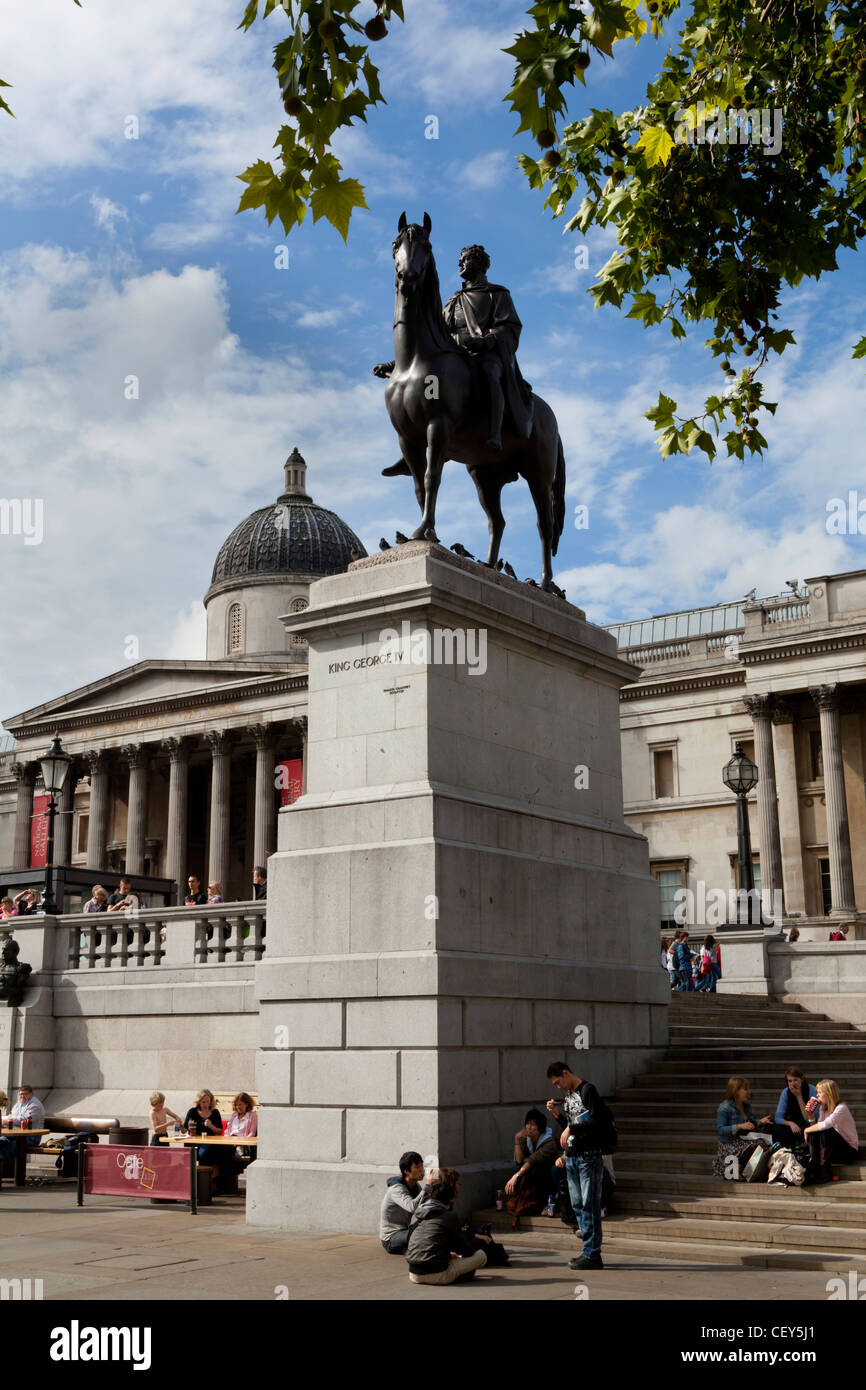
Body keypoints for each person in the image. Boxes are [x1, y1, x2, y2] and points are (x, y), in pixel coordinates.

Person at [546, 1062, 615, 1271]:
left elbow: (598, 1122)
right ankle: (588, 1250)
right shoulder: (568, 1097)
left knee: (589, 1204)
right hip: (573, 1157)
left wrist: (571, 1127)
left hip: (589, 1157)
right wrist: (558, 1116)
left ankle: (593, 1254)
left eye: (558, 1081)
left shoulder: (588, 1090)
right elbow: (570, 1130)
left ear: (566, 1073)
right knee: (577, 1205)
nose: (558, 1086)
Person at [406, 1178, 488, 1285]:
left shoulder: (418, 1213)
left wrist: (448, 1255)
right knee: (481, 1256)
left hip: (413, 1274)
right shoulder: (448, 1216)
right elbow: (464, 1248)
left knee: (455, 1260)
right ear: (449, 1202)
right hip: (437, 1274)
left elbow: (414, 1241)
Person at [713, 1077, 774, 1179]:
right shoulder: (724, 1107)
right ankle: (741, 1170)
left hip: (743, 1140)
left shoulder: (746, 1105)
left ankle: (751, 1171)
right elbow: (721, 1130)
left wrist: (760, 1122)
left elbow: (751, 1125)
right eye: (745, 1089)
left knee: (764, 1142)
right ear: (736, 1090)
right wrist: (739, 1126)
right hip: (730, 1144)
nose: (748, 1092)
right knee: (757, 1144)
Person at [504, 1107, 560, 1213]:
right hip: (533, 1169)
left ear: (540, 1127)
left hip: (548, 1174)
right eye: (528, 1124)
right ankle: (524, 1199)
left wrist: (515, 1177)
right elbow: (519, 1160)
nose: (529, 1128)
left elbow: (532, 1160)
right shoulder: (526, 1139)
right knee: (517, 1168)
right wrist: (517, 1140)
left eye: (533, 1125)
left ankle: (546, 1202)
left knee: (532, 1171)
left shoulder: (549, 1142)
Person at [803, 1079, 860, 1183]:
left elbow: (826, 1124)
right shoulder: (823, 1108)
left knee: (827, 1131)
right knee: (816, 1132)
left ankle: (825, 1172)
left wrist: (806, 1130)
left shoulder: (842, 1108)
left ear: (828, 1093)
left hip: (848, 1152)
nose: (817, 1095)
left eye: (820, 1092)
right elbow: (818, 1129)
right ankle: (815, 1168)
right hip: (832, 1150)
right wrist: (810, 1116)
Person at [183, 1089, 231, 1193]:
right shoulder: (193, 1111)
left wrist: (211, 1126)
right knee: (195, 1152)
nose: (205, 1104)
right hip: (194, 1141)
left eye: (208, 1101)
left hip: (211, 1142)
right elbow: (185, 1128)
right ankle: (204, 1182)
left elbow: (219, 1131)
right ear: (199, 1101)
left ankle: (206, 1183)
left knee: (206, 1152)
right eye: (203, 1102)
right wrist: (181, 1127)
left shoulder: (214, 1112)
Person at [379, 1150, 427, 1254]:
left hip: (405, 1231)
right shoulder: (396, 1189)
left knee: (431, 1226)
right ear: (406, 1171)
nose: (422, 1170)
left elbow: (423, 1209)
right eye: (417, 1167)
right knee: (421, 1234)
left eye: (422, 1166)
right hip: (391, 1239)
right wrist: (427, 1187)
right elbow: (412, 1207)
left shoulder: (416, 1187)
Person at [0, 1083, 46, 1167]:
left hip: (31, 1137)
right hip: (14, 1135)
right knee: (1, 1141)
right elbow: (11, 1117)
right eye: (21, 1094)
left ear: (31, 1094)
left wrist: (5, 1120)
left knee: (9, 1148)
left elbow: (24, 1120)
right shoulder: (18, 1105)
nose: (22, 1096)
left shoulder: (35, 1105)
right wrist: (5, 1121)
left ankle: (11, 1175)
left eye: (25, 1094)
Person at [773, 1068, 818, 1145]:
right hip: (793, 1124)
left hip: (809, 1124)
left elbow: (808, 1119)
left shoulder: (812, 1090)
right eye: (790, 1081)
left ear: (802, 1079)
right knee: (777, 1127)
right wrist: (790, 1123)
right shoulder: (786, 1092)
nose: (793, 1084)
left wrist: (799, 1096)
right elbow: (778, 1118)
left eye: (795, 1080)